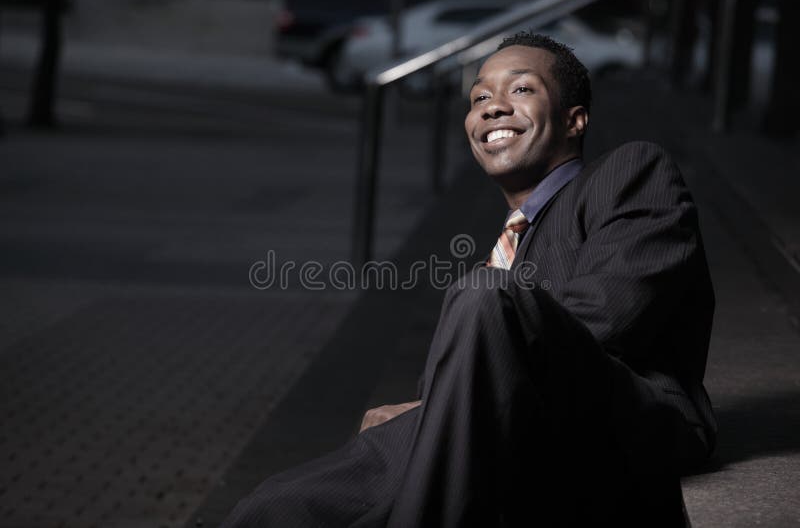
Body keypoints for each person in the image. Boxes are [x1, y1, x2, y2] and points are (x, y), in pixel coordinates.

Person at [222, 32, 716, 527]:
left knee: (482, 296)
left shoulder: (628, 171)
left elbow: (611, 313)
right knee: (272, 508)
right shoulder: (504, 253)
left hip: (628, 422)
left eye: (521, 90)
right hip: (498, 430)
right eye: (480, 97)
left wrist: (439, 401)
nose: (493, 107)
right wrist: (440, 403)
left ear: (574, 119)